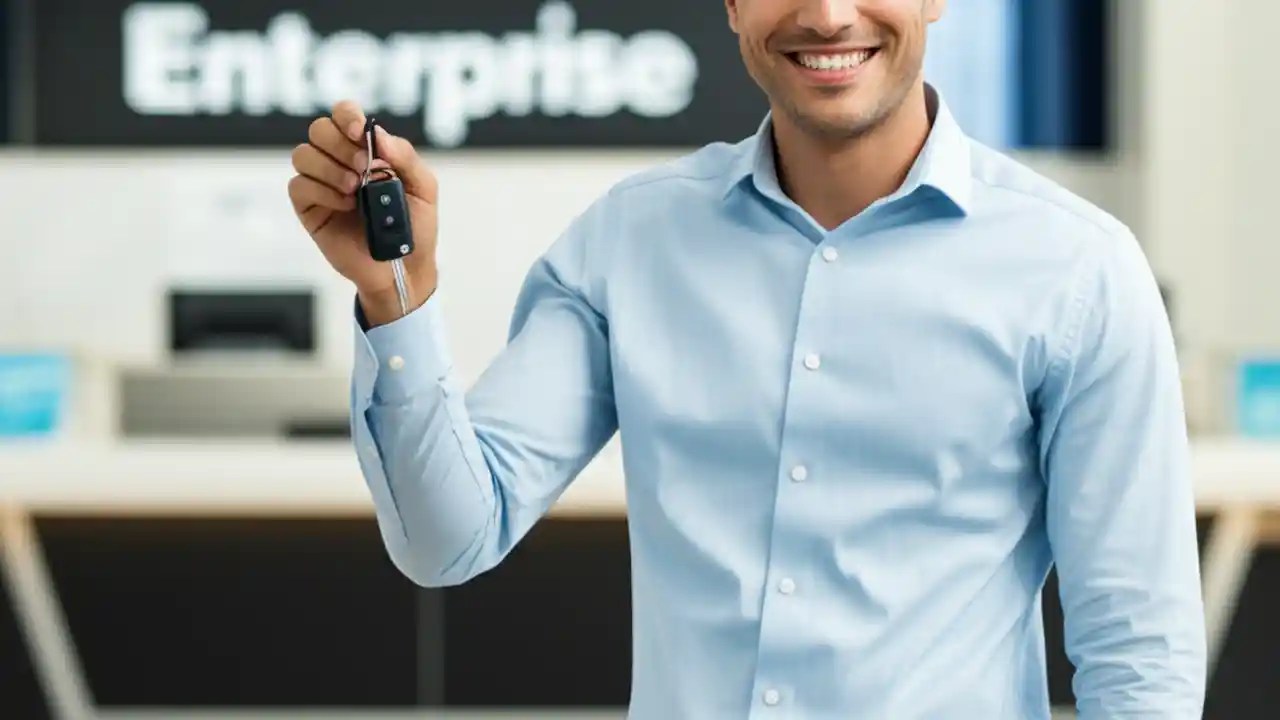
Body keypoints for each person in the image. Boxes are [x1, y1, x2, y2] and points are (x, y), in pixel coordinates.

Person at [287, 1, 1206, 717]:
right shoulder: (630, 242)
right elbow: (450, 538)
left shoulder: (1079, 268)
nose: (829, 17)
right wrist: (394, 294)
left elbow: (1139, 654)